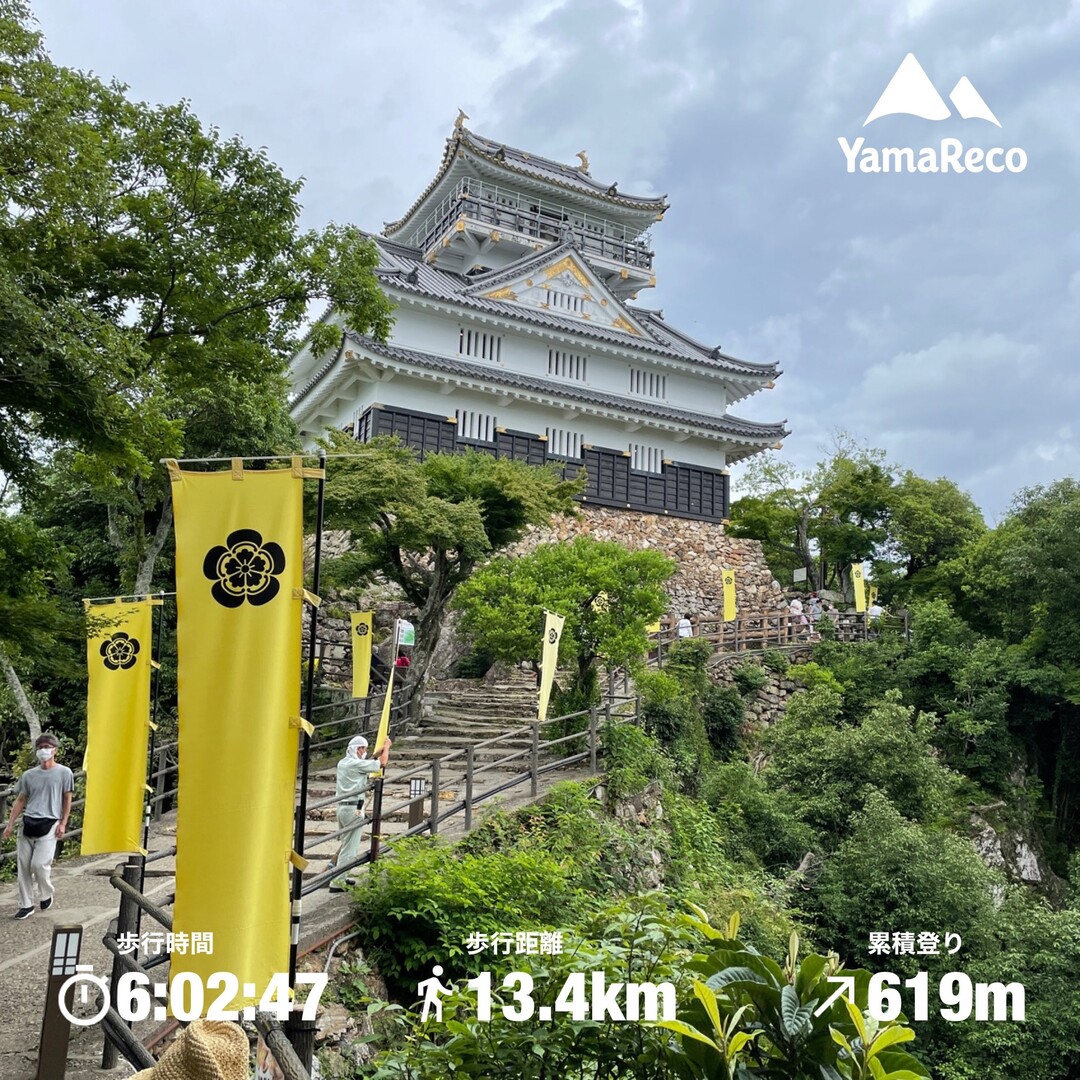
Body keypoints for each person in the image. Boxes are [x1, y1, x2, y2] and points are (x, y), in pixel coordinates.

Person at [3, 733, 74, 920]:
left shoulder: (64, 773)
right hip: (28, 822)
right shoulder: (29, 775)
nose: (44, 750)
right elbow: (20, 799)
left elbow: (67, 798)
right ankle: (26, 904)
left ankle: (46, 892)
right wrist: (10, 824)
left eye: (47, 747)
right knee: (24, 867)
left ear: (55, 750)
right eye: (40, 747)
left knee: (39, 864)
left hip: (50, 823)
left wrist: (63, 823)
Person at [329, 734, 391, 892]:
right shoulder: (354, 765)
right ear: (353, 749)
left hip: (343, 808)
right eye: (360, 748)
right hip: (354, 809)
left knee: (346, 844)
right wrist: (387, 747)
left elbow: (364, 763)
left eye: (364, 748)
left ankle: (341, 875)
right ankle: (338, 881)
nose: (362, 751)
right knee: (350, 847)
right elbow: (382, 763)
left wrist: (375, 754)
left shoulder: (343, 763)